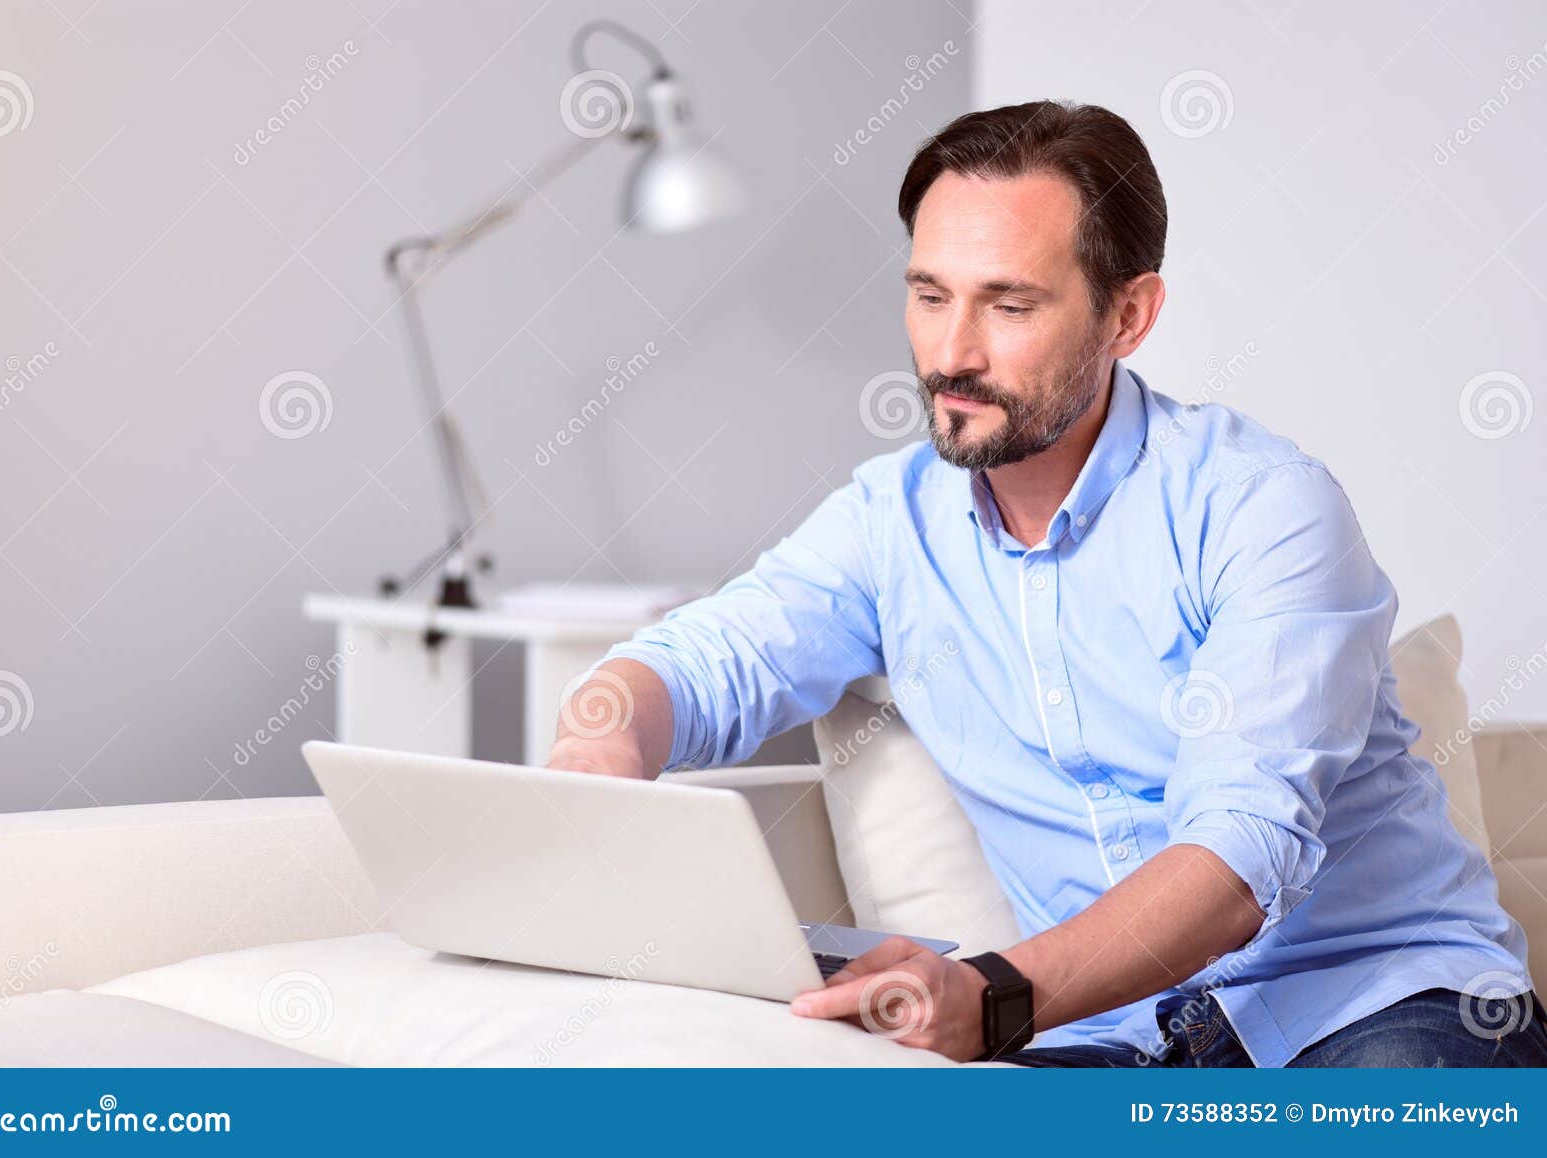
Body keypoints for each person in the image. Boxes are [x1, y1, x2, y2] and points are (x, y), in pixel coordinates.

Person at [548, 101, 1543, 1068]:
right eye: (929, 294)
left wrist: (994, 995)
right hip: (1105, 1035)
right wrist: (603, 746)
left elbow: (1239, 853)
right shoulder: (887, 524)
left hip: (1366, 1003)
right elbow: (705, 662)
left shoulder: (1262, 507)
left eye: (1008, 304)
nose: (950, 354)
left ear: (1129, 315)